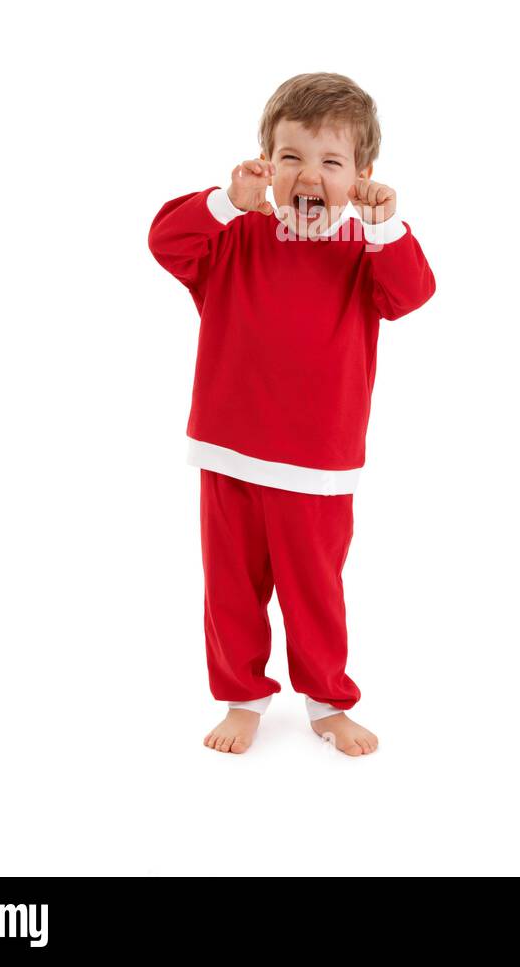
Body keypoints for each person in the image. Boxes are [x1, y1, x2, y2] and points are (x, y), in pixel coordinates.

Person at [148, 72, 436, 755]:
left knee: (314, 591)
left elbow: (410, 294)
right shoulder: (234, 235)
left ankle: (328, 701)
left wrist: (383, 224)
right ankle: (242, 697)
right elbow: (166, 241)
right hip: (228, 450)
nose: (310, 174)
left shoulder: (368, 245)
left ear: (362, 175)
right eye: (292, 158)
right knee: (231, 588)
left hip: (318, 463)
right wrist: (225, 201)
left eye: (331, 162)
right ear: (265, 165)